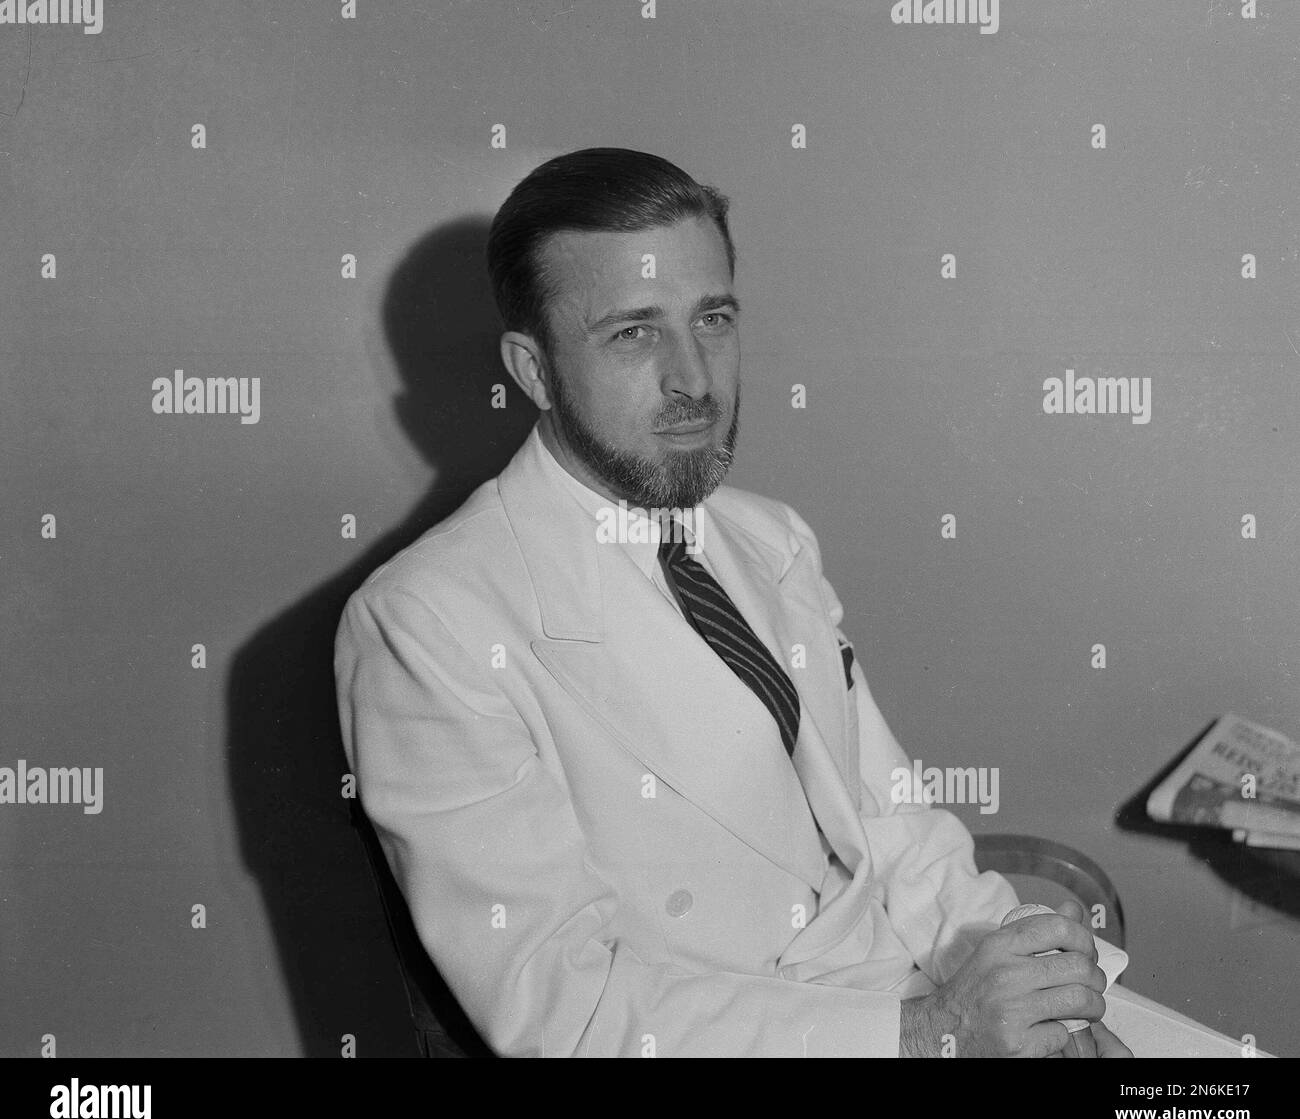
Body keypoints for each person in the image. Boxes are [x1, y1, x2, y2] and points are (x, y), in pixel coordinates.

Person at [333, 146, 1130, 1057]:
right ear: (535, 369)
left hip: (918, 995)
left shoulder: (767, 536)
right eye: (633, 333)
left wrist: (1048, 1002)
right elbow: (564, 1008)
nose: (695, 380)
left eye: (711, 318)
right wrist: (929, 1036)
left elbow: (893, 826)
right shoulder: (425, 624)